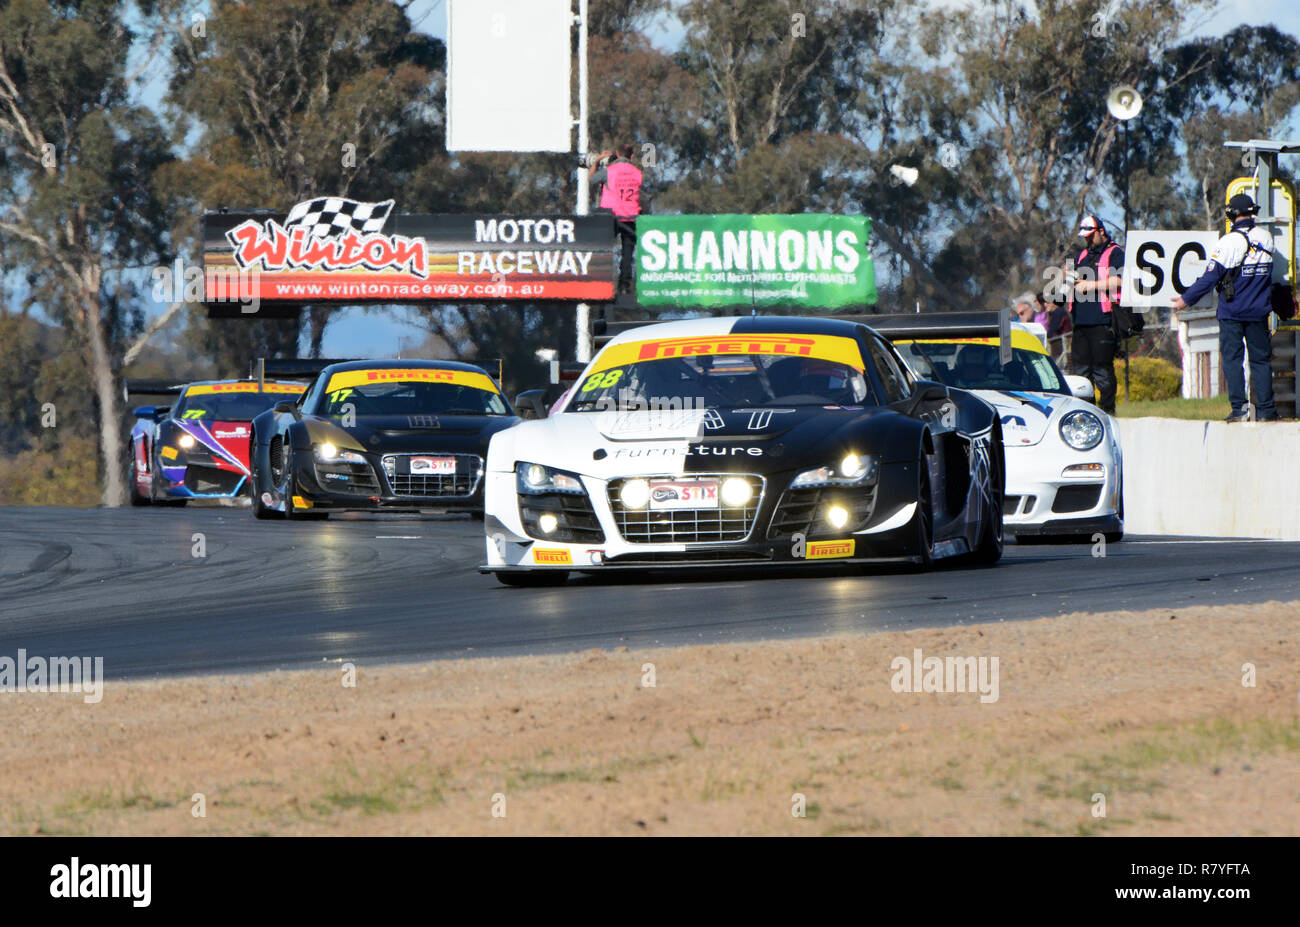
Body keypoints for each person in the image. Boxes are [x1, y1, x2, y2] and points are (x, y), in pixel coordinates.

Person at [1171, 192, 1278, 422]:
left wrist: (1185, 300)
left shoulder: (1228, 242)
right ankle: (1267, 410)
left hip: (1232, 312)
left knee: (1233, 360)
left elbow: (1210, 278)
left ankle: (1239, 409)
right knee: (1261, 360)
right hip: (1259, 311)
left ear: (1232, 215)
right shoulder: (1267, 238)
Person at [1065, 215, 1123, 412]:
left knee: (1102, 371)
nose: (1088, 240)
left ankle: (1108, 412)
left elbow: (1120, 281)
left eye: (1091, 236)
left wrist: (1092, 285)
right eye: (1085, 237)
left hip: (1103, 321)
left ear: (1101, 232)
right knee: (1081, 374)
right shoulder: (1081, 255)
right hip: (1081, 323)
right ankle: (1087, 412)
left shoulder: (1114, 253)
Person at [590, 143, 643, 294]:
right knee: (627, 254)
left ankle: (600, 283)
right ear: (631, 156)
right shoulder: (637, 172)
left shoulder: (609, 170)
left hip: (611, 216)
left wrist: (596, 161)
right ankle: (624, 286)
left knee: (604, 250)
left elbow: (592, 179)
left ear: (617, 154)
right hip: (631, 216)